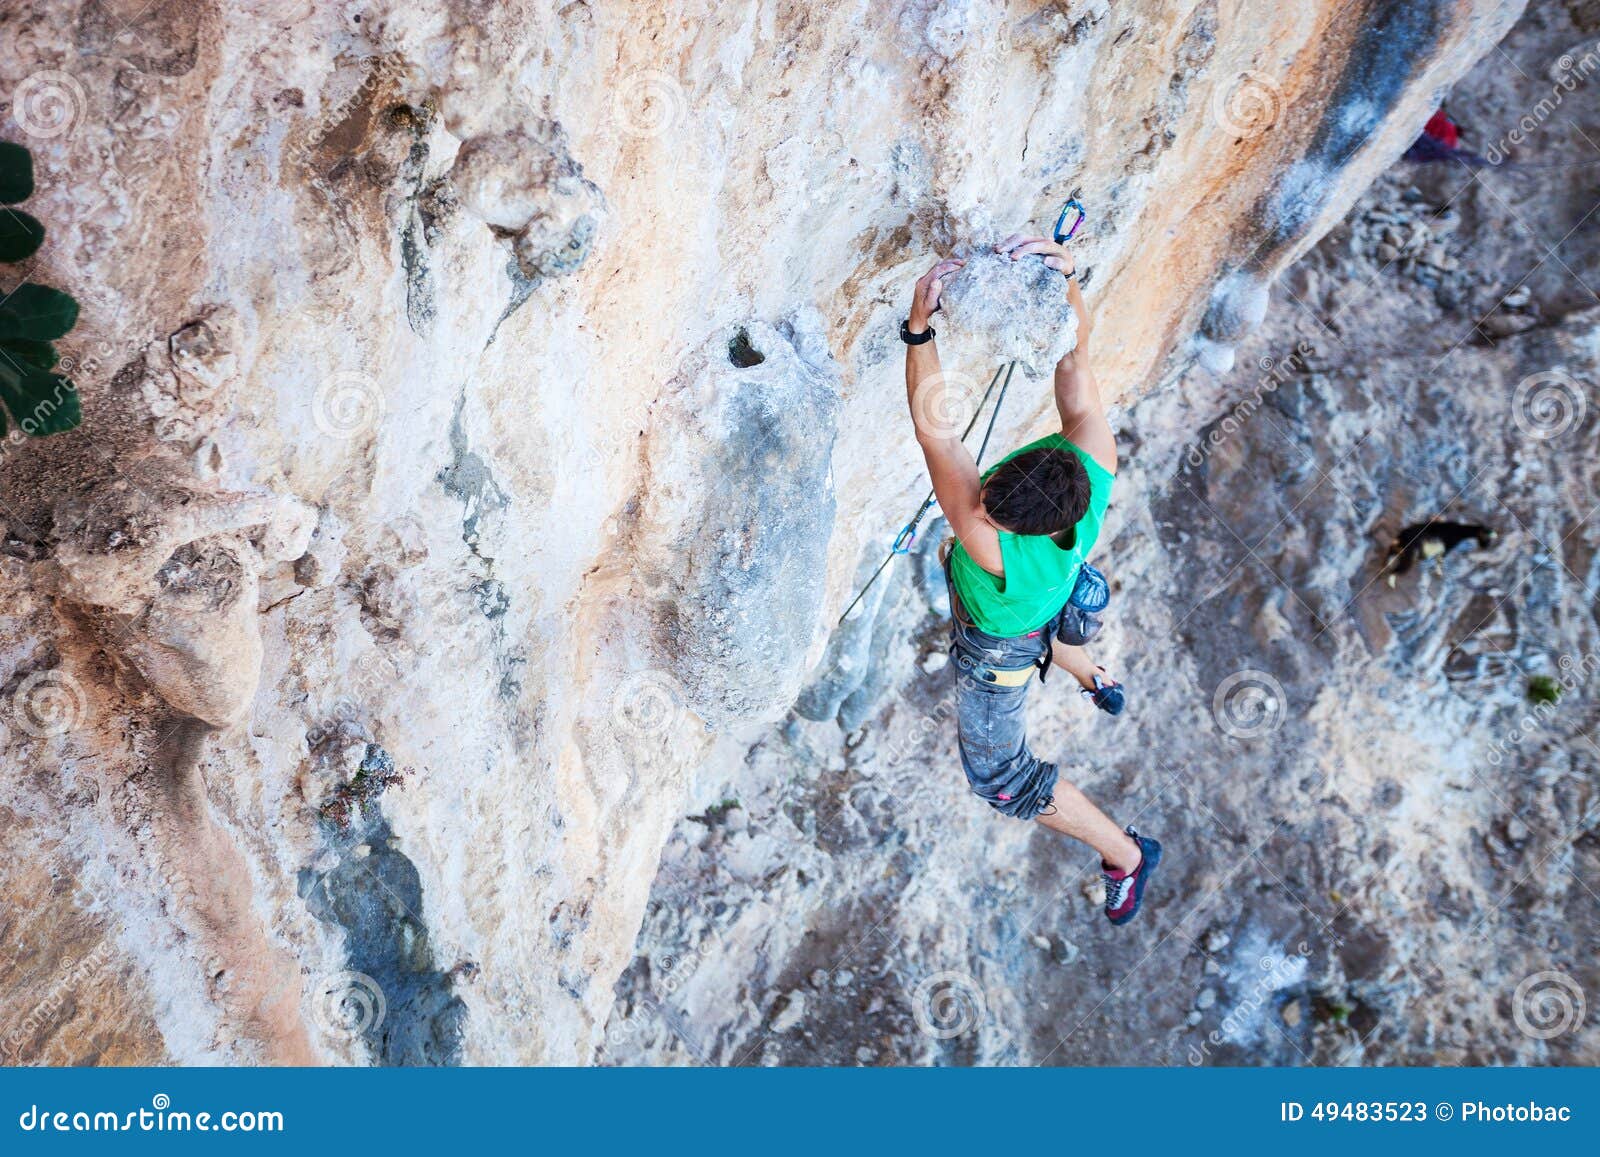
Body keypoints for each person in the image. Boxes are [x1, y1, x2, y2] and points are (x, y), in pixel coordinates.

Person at [900, 233, 1161, 925]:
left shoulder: (990, 545)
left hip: (1001, 645)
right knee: (1062, 598)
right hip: (1055, 588)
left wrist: (918, 328)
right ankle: (1087, 670)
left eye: (989, 511)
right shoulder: (1092, 458)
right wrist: (1064, 277)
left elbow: (938, 436)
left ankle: (1128, 855)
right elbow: (1074, 357)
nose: (976, 509)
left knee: (1002, 779)